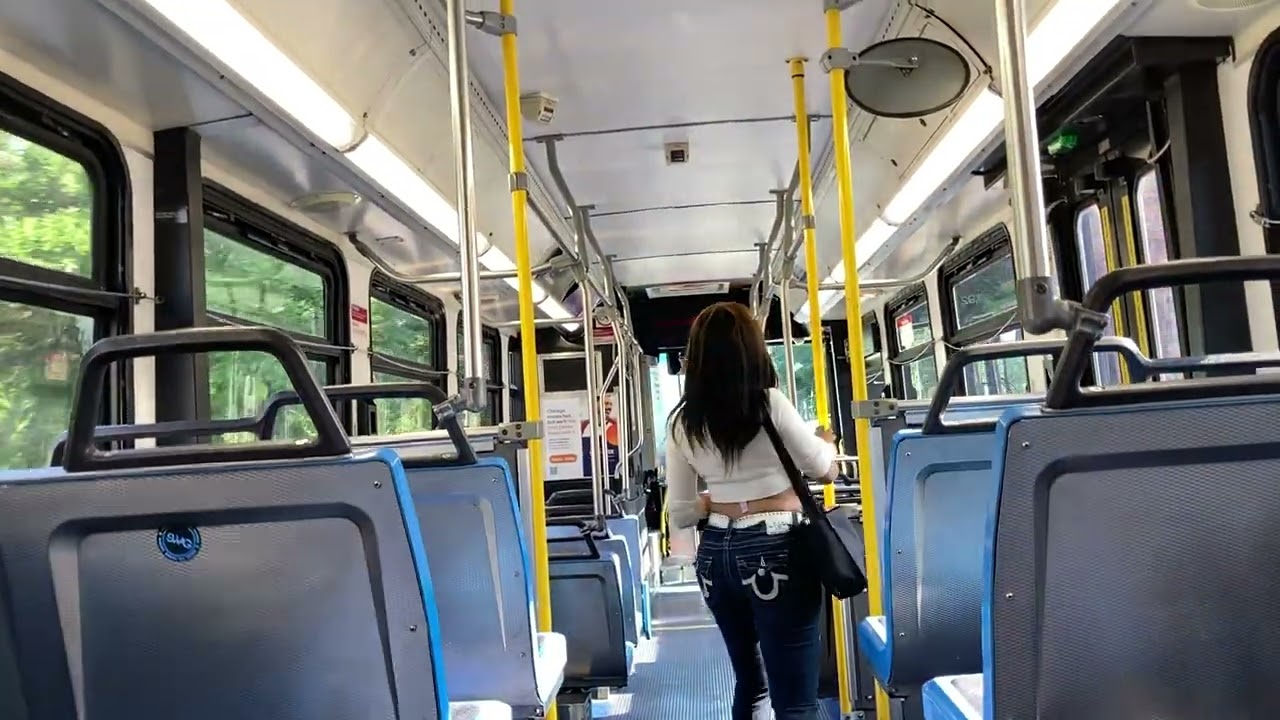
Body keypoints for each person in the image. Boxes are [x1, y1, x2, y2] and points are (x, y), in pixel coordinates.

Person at [665, 301, 840, 720]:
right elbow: (823, 469)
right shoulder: (770, 404)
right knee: (795, 699)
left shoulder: (681, 422)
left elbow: (682, 514)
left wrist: (716, 500)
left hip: (716, 560)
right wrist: (828, 442)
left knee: (751, 685)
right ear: (754, 351)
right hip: (778, 546)